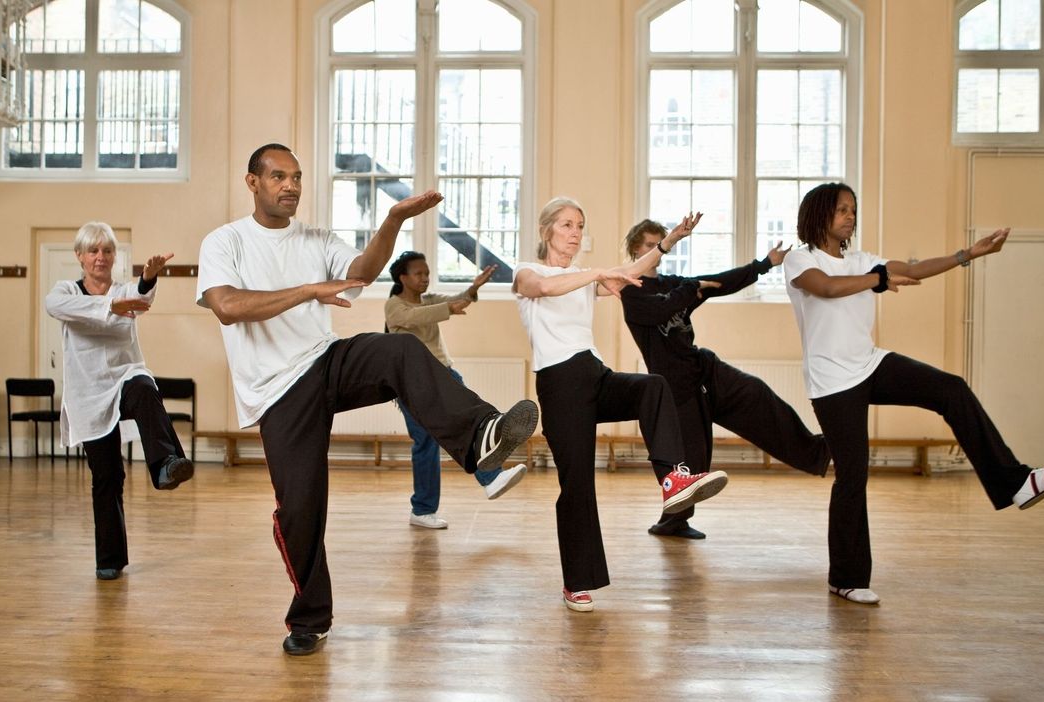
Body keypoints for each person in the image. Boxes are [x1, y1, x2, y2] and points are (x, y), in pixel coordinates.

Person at [197, 143, 539, 656]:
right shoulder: (226, 242)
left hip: (324, 361)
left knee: (400, 350)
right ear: (253, 182)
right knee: (300, 510)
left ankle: (481, 436)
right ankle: (310, 618)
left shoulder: (315, 237)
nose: (290, 186)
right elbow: (227, 305)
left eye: (297, 177)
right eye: (278, 177)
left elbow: (361, 271)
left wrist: (394, 220)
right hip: (275, 392)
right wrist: (307, 290)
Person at [783, 182, 1044, 605]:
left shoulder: (863, 261)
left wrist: (967, 254)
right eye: (842, 209)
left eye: (853, 210)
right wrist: (879, 279)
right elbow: (827, 288)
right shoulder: (800, 259)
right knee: (853, 475)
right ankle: (846, 578)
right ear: (819, 214)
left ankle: (1015, 482)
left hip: (869, 363)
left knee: (950, 389)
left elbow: (914, 268)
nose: (850, 216)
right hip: (831, 381)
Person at [513, 197, 729, 613]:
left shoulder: (583, 277)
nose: (575, 233)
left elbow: (632, 271)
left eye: (580, 225)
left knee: (653, 387)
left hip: (593, 374)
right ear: (545, 230)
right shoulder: (527, 271)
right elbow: (543, 288)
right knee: (577, 485)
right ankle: (577, 582)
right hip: (560, 387)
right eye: (567, 225)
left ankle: (673, 479)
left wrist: (668, 242)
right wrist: (598, 273)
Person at [620, 220, 831, 539]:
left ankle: (819, 451)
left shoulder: (671, 283)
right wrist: (691, 288)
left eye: (659, 244)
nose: (657, 251)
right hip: (675, 386)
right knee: (692, 460)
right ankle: (673, 522)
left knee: (757, 395)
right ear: (636, 248)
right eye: (650, 245)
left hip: (703, 368)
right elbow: (660, 311)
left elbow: (719, 282)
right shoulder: (630, 292)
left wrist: (764, 264)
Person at [45, 222, 195, 581]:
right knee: (107, 476)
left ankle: (165, 465)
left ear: (115, 256)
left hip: (124, 378)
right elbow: (56, 306)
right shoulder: (66, 290)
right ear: (80, 256)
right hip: (88, 394)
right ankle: (110, 559)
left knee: (144, 386)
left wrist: (147, 279)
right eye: (93, 250)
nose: (101, 257)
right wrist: (112, 305)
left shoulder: (125, 289)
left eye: (107, 250)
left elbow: (141, 298)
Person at [385, 251, 528, 529]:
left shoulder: (429, 300)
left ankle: (490, 476)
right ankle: (423, 509)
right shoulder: (394, 305)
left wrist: (474, 288)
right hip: (412, 383)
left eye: (427, 273)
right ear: (402, 278)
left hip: (444, 374)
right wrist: (448, 309)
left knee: (468, 425)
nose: (425, 278)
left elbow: (457, 300)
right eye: (418, 273)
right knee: (426, 442)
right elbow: (414, 317)